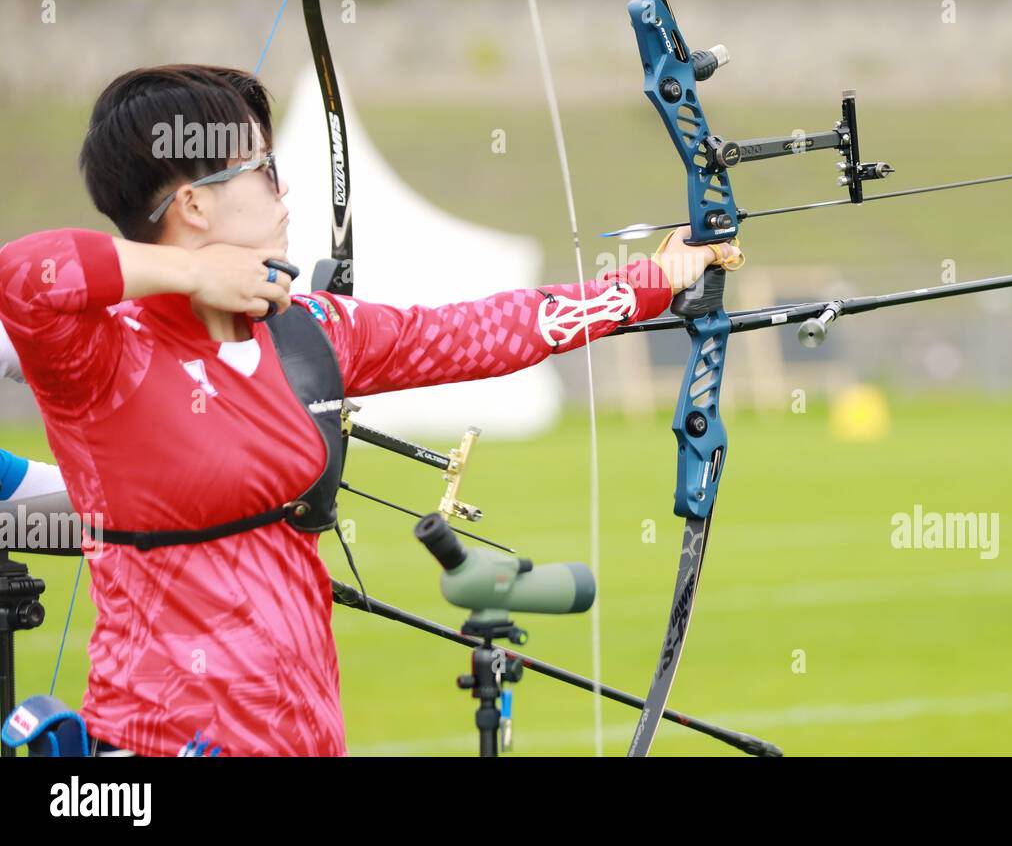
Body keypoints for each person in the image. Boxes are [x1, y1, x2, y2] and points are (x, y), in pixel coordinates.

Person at [0, 64, 738, 756]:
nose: (284, 192)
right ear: (193, 203)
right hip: (162, 738)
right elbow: (24, 273)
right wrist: (193, 272)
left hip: (306, 732)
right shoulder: (104, 356)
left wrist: (651, 280)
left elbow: (479, 332)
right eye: (264, 170)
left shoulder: (308, 329)